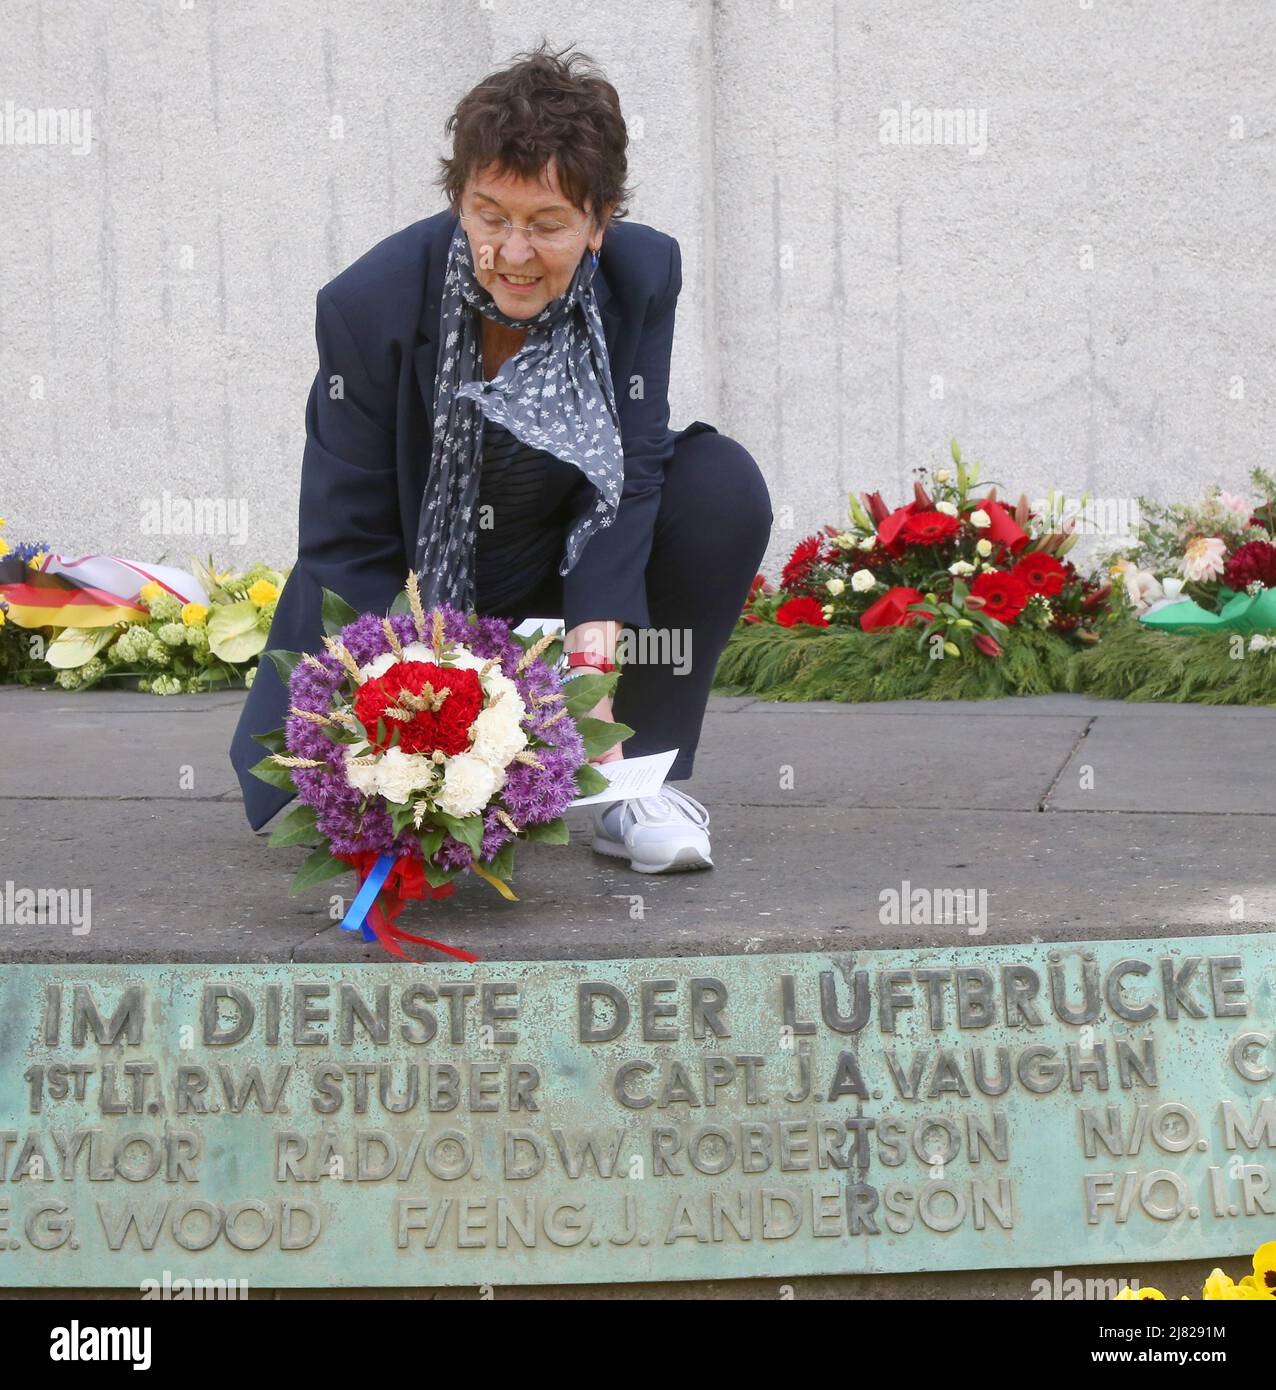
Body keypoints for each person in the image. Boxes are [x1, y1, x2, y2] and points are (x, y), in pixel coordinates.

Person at [228, 42, 772, 874]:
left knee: (721, 486)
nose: (513, 253)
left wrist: (597, 664)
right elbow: (348, 544)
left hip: (550, 564)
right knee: (384, 812)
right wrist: (417, 720)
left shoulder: (643, 273)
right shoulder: (366, 306)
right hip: (414, 576)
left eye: (548, 224)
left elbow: (633, 468)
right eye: (490, 216)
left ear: (600, 221)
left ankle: (632, 783)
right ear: (459, 201)